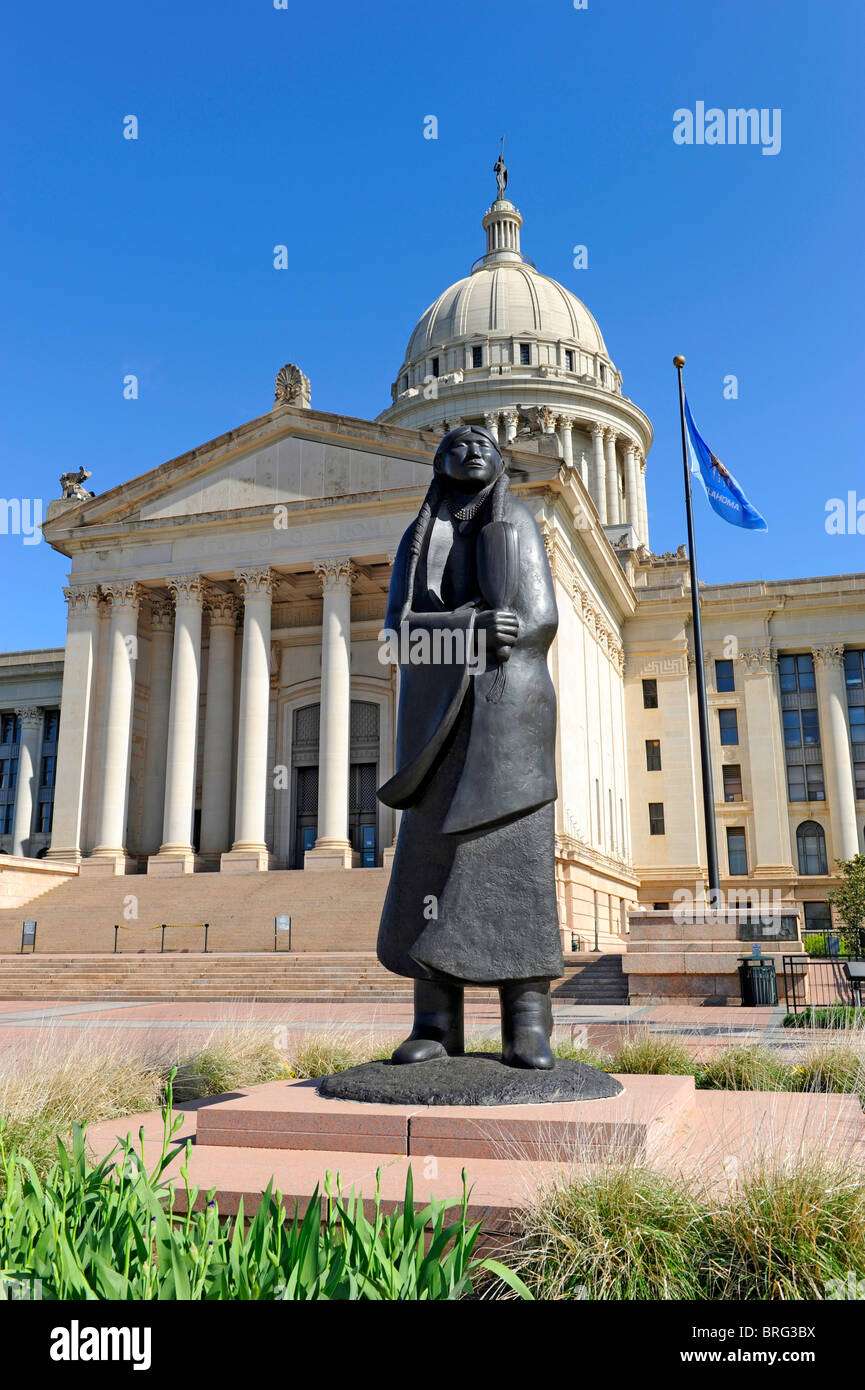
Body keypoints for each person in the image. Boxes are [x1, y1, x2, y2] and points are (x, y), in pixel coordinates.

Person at [377, 424, 563, 1068]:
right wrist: (471, 627)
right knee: (430, 867)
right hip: (437, 727)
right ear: (438, 461)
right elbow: (398, 634)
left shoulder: (523, 527)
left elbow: (538, 621)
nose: (473, 450)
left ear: (504, 458)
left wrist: (490, 632)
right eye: (458, 442)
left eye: (485, 442)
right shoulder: (419, 538)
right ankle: (435, 1022)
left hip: (508, 721)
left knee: (517, 869)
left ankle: (527, 1022)